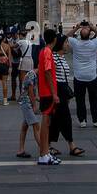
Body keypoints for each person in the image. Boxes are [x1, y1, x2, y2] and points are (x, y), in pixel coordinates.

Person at [48, 33, 84, 158]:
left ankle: (48, 146)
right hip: (57, 89)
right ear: (60, 44)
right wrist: (53, 94)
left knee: (56, 120)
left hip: (63, 89)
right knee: (66, 118)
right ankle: (72, 146)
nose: (68, 44)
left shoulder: (62, 57)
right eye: (66, 43)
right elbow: (49, 75)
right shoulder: (53, 57)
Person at [68, 19, 97, 128]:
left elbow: (66, 36)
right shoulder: (93, 44)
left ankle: (82, 120)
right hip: (91, 76)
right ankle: (96, 120)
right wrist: (92, 28)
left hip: (79, 77)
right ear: (89, 35)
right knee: (94, 99)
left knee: (80, 99)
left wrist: (77, 27)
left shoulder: (76, 43)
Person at [36, 28, 61, 166]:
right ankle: (43, 154)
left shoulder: (45, 51)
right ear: (55, 39)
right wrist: (54, 93)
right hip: (47, 93)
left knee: (47, 124)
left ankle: (45, 153)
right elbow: (47, 72)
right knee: (45, 124)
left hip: (46, 92)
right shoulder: (47, 52)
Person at [17, 49, 41, 158]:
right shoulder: (32, 75)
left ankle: (21, 150)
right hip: (26, 103)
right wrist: (35, 105)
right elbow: (30, 92)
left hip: (25, 102)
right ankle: (44, 150)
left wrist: (37, 98)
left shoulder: (33, 74)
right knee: (36, 125)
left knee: (24, 127)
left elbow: (31, 91)